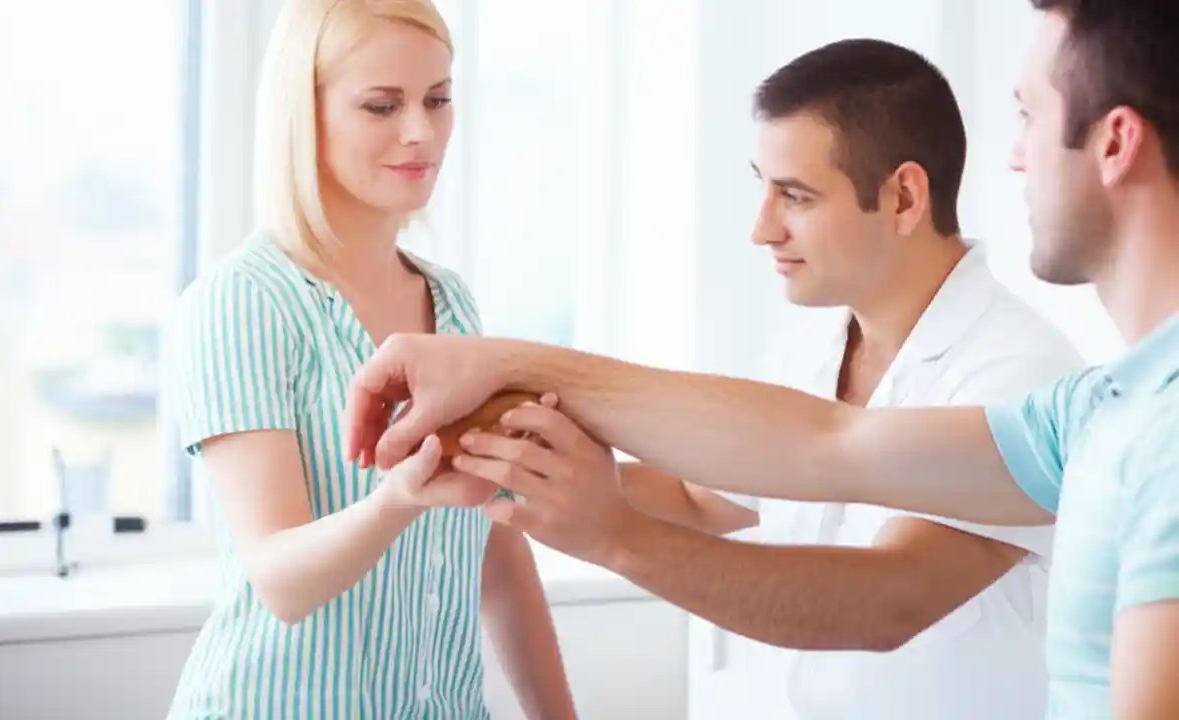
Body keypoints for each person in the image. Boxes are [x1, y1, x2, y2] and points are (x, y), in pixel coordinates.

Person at [344, 1, 1179, 717]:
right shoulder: (1089, 412)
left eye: (1030, 115)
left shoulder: (1107, 410)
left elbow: (888, 599)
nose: (1015, 153)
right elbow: (820, 449)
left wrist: (616, 538)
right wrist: (496, 424)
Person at [605, 39, 1082, 719]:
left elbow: (888, 599)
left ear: (903, 197)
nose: (761, 229)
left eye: (794, 196)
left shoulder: (1020, 376)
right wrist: (516, 462)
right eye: (762, 188)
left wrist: (609, 538)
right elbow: (696, 498)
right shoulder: (805, 350)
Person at [164, 1, 575, 718]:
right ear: (306, 114)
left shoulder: (452, 305)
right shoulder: (242, 301)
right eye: (382, 105)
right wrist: (397, 501)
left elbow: (499, 560)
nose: (421, 131)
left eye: (438, 99)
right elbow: (280, 580)